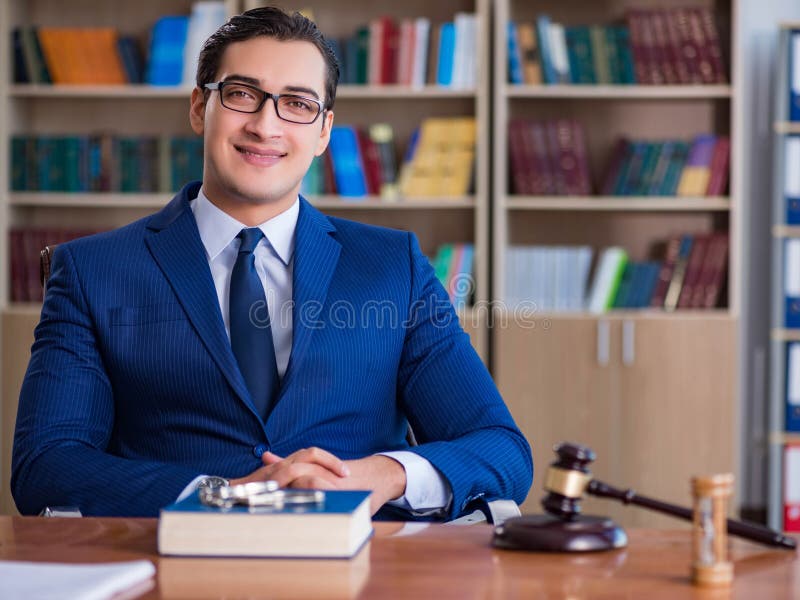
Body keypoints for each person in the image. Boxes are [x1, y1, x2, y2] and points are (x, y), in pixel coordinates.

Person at [12, 7, 532, 520]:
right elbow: (46, 465)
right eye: (242, 95)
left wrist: (382, 475)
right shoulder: (92, 270)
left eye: (298, 104)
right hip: (174, 565)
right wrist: (222, 494)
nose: (266, 125)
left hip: (365, 568)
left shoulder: (394, 266)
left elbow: (501, 451)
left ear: (324, 131)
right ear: (199, 108)